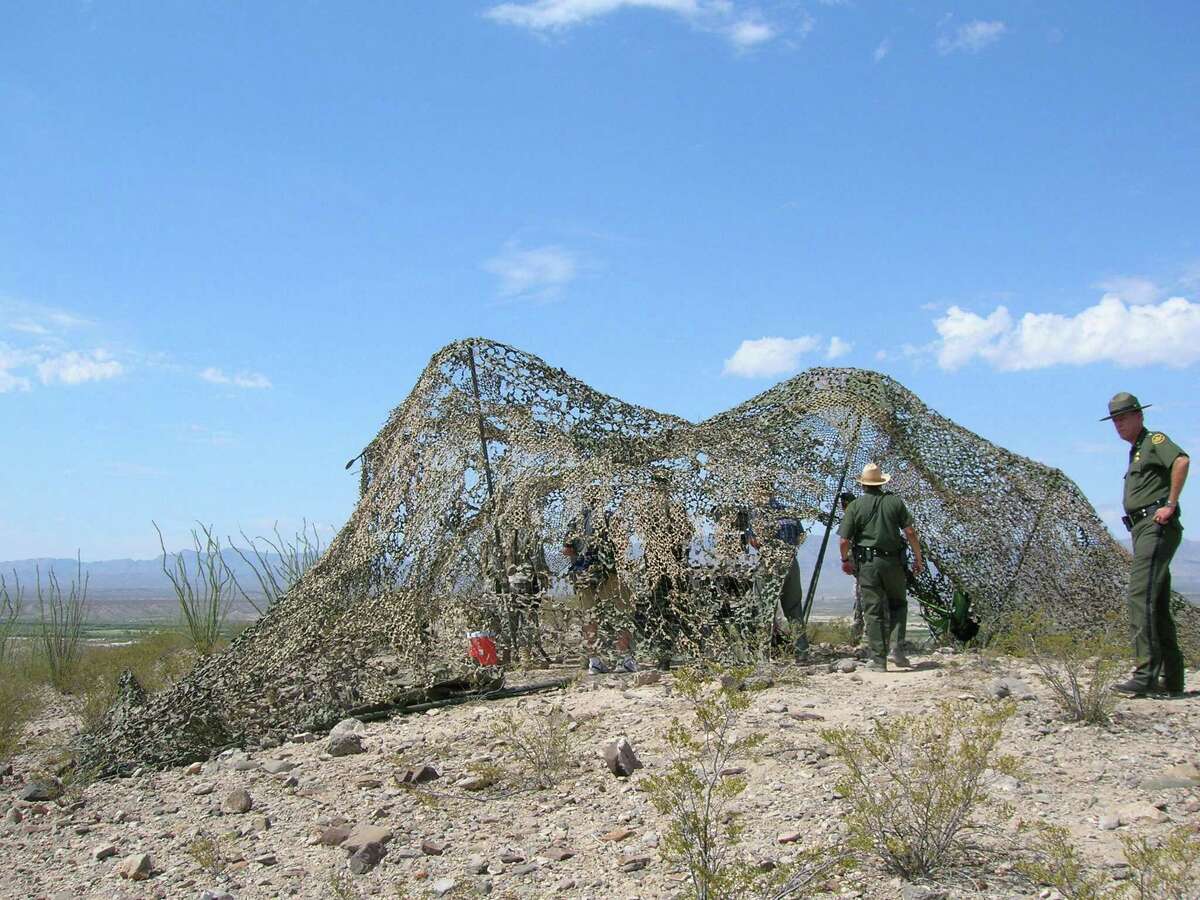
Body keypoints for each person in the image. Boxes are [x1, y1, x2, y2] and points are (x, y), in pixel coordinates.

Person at [1103, 392, 1190, 697]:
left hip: (1156, 525)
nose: (1119, 424)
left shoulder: (1154, 441)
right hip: (1142, 529)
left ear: (1139, 415)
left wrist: (1170, 503)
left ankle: (1145, 674)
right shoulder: (1136, 450)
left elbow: (1181, 460)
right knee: (1158, 602)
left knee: (1139, 596)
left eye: (1124, 417)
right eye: (1115, 420)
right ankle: (1173, 677)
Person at [837, 463, 924, 672]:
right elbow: (910, 532)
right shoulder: (894, 502)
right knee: (899, 605)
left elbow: (843, 540)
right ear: (881, 482)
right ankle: (896, 649)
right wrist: (918, 558)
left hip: (867, 565)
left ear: (863, 484)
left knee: (873, 611)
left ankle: (878, 661)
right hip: (893, 563)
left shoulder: (855, 506)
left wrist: (845, 561)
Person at [837, 490, 865, 645]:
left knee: (863, 603)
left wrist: (845, 560)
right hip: (875, 566)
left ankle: (859, 639)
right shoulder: (866, 516)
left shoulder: (852, 517)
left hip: (863, 568)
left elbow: (844, 542)